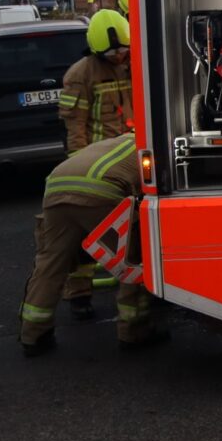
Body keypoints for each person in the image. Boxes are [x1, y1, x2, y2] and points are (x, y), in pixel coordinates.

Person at [17, 134, 161, 357]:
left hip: (56, 186)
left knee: (51, 262)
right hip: (101, 190)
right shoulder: (154, 147)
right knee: (132, 259)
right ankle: (134, 331)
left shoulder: (117, 142)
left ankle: (33, 334)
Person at [55, 9, 134, 318]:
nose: (119, 57)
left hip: (129, 156)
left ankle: (134, 283)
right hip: (97, 163)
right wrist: (80, 166)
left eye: (123, 50)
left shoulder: (133, 65)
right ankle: (79, 294)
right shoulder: (81, 74)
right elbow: (75, 127)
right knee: (84, 231)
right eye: (113, 53)